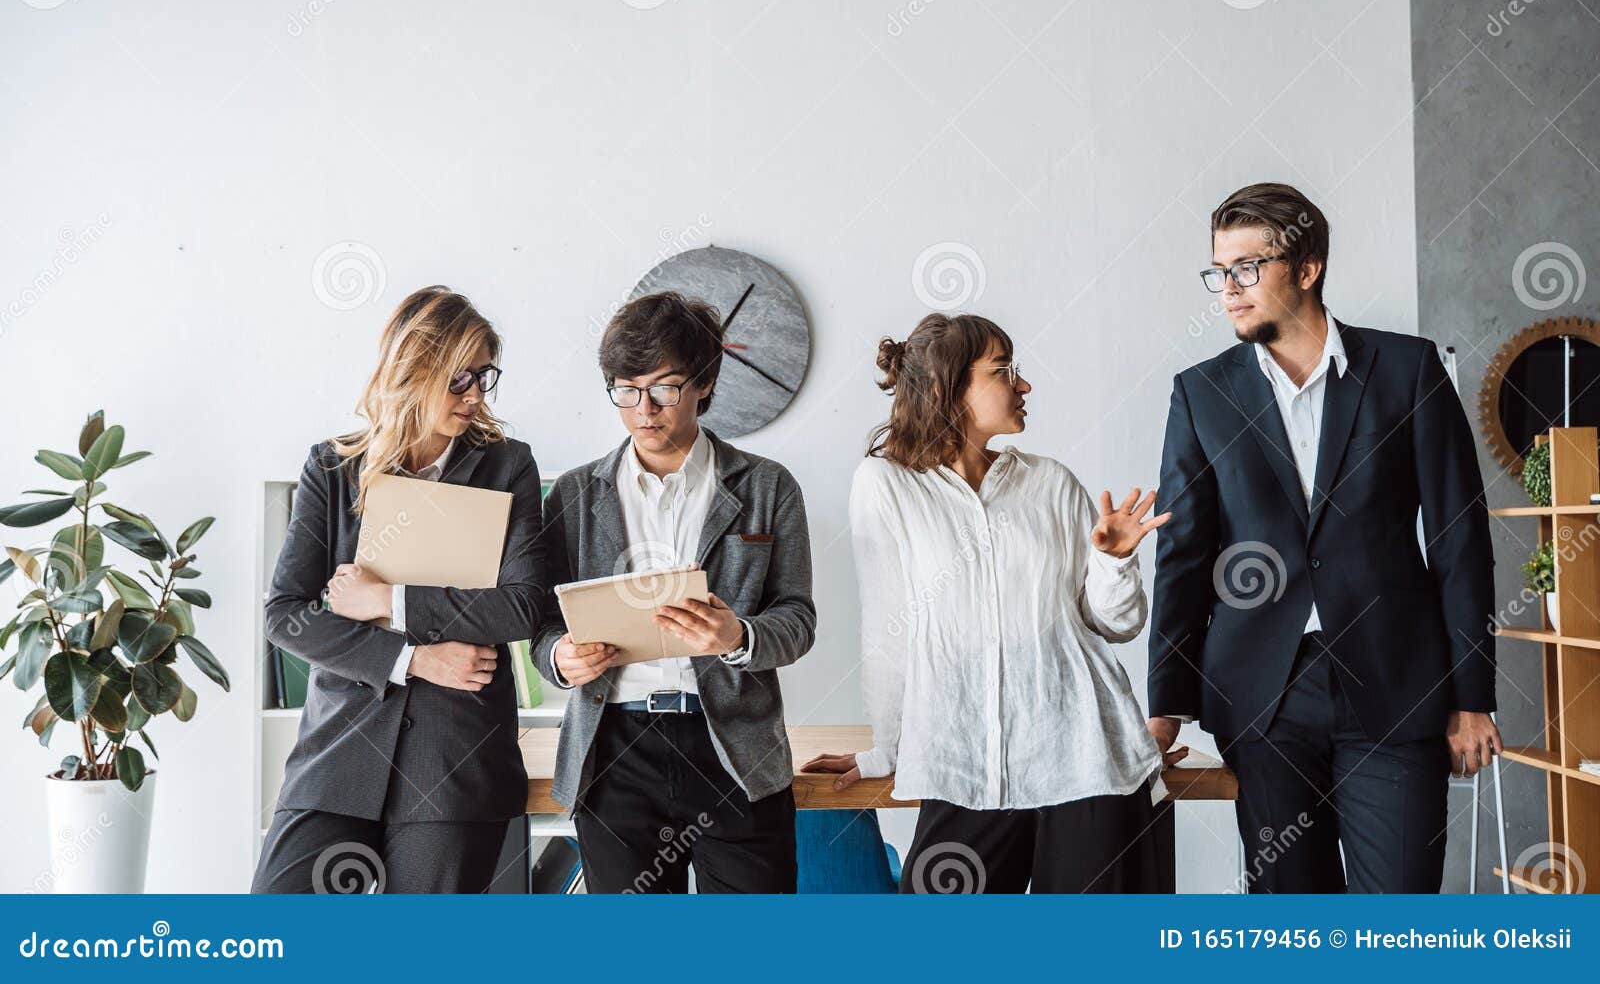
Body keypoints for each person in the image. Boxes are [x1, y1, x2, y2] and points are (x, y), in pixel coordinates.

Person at [1147, 182, 1500, 893]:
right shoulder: (1201, 394)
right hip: (1262, 698)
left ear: (1305, 270)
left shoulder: (1408, 370)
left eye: (1249, 267)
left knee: (1396, 923)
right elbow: (1182, 557)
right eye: (1220, 271)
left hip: (1397, 687)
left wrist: (1472, 696)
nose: (1229, 288)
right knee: (1293, 930)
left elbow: (1459, 538)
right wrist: (1164, 710)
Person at [803, 313, 1177, 894]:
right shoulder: (886, 484)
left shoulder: (1051, 483)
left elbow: (1116, 623)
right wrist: (887, 750)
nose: (1023, 385)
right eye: (1003, 371)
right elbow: (888, 629)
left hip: (1085, 762)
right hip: (965, 767)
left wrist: (1113, 560)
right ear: (943, 390)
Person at [252, 286, 545, 894]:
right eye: (459, 379)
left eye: (484, 378)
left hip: (455, 760)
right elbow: (286, 614)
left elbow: (524, 604)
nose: (475, 397)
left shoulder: (508, 466)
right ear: (413, 370)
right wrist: (412, 660)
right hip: (338, 755)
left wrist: (391, 601)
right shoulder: (332, 468)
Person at [532, 290, 816, 894]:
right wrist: (560, 658)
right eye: (626, 390)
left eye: (664, 388)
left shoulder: (767, 487)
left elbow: (798, 619)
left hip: (734, 749)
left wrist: (738, 636)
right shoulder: (576, 495)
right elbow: (540, 626)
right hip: (613, 749)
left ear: (704, 384)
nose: (644, 409)